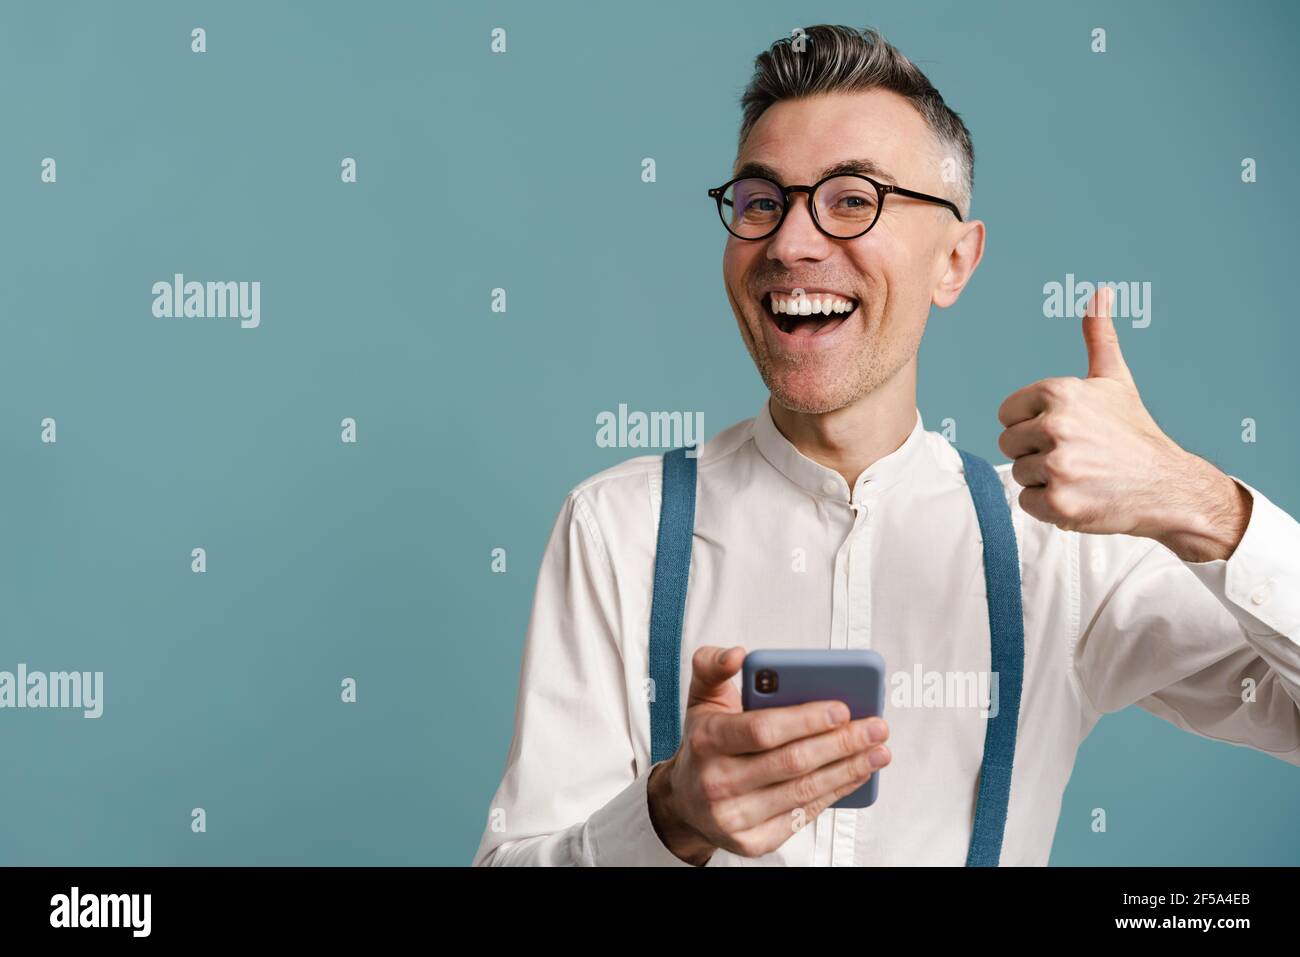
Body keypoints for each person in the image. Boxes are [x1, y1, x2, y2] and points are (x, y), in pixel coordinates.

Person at [473, 24, 1300, 866]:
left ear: (954, 260)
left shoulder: (1060, 549)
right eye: (763, 201)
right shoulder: (619, 527)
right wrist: (669, 817)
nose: (790, 243)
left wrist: (1200, 505)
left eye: (852, 198)